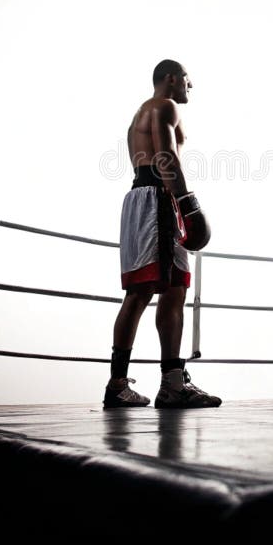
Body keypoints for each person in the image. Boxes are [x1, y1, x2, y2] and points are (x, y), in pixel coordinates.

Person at [104, 59, 221, 408]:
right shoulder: (164, 106)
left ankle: (131, 383)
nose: (190, 85)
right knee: (155, 294)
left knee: (164, 290)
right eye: (187, 79)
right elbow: (167, 157)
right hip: (159, 198)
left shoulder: (140, 113)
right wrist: (187, 202)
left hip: (143, 196)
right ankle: (165, 385)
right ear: (171, 78)